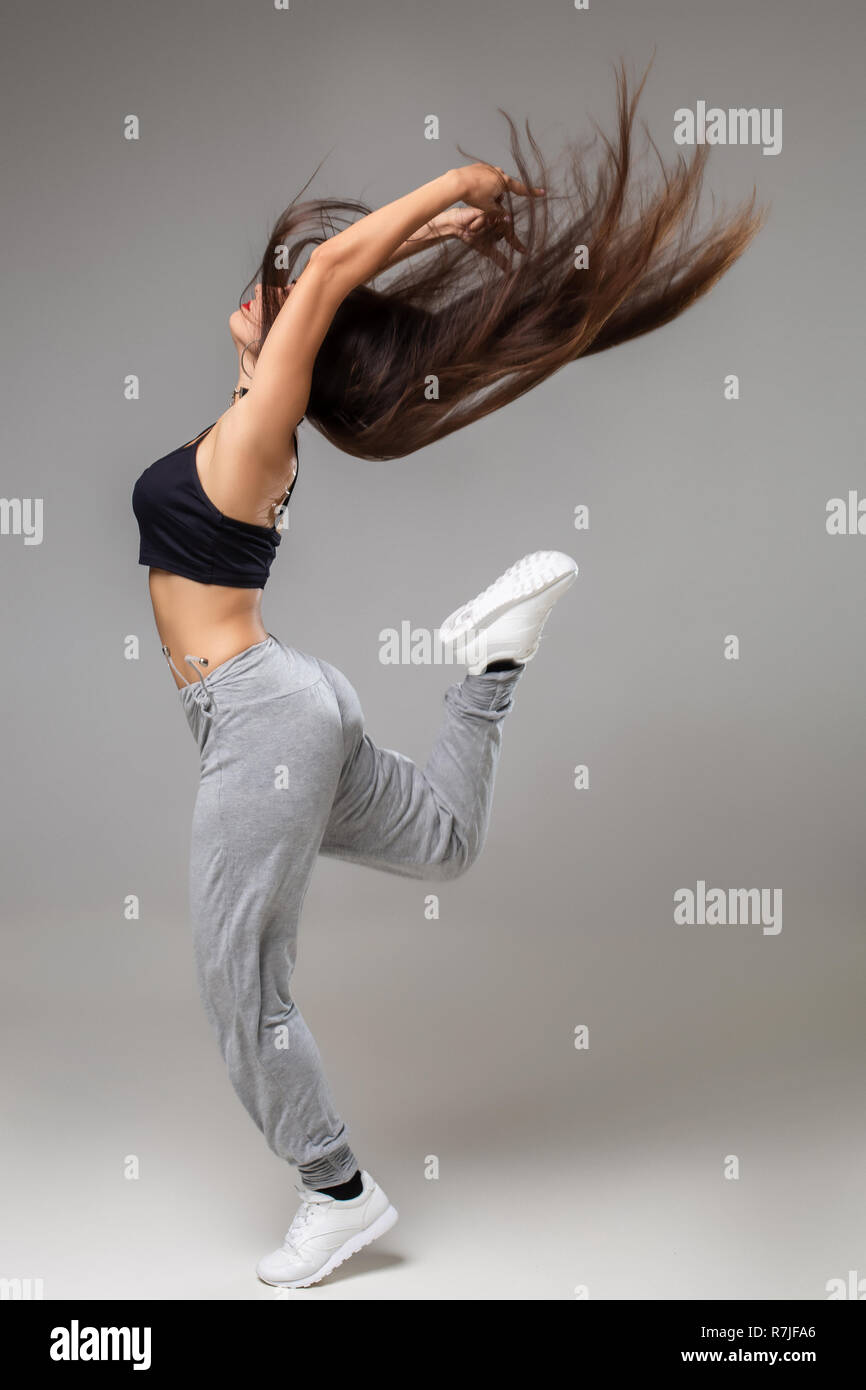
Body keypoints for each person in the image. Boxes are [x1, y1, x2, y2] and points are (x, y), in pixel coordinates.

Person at [132, 66, 762, 1289]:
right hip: (283, 710)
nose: (263, 295)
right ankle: (486, 667)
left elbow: (319, 281)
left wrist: (456, 186)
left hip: (259, 719)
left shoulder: (268, 422)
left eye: (280, 297)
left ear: (293, 342)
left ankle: (339, 1196)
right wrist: (431, 233)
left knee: (238, 989)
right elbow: (331, 285)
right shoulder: (248, 419)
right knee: (444, 847)